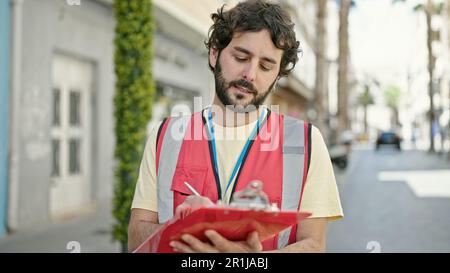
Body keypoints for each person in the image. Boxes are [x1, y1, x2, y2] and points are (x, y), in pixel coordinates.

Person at [128, 0, 343, 253]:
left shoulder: (307, 142)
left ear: (277, 77)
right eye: (241, 57)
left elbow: (314, 246)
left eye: (266, 66)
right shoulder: (165, 136)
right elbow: (136, 239)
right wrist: (188, 229)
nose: (250, 74)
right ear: (214, 53)